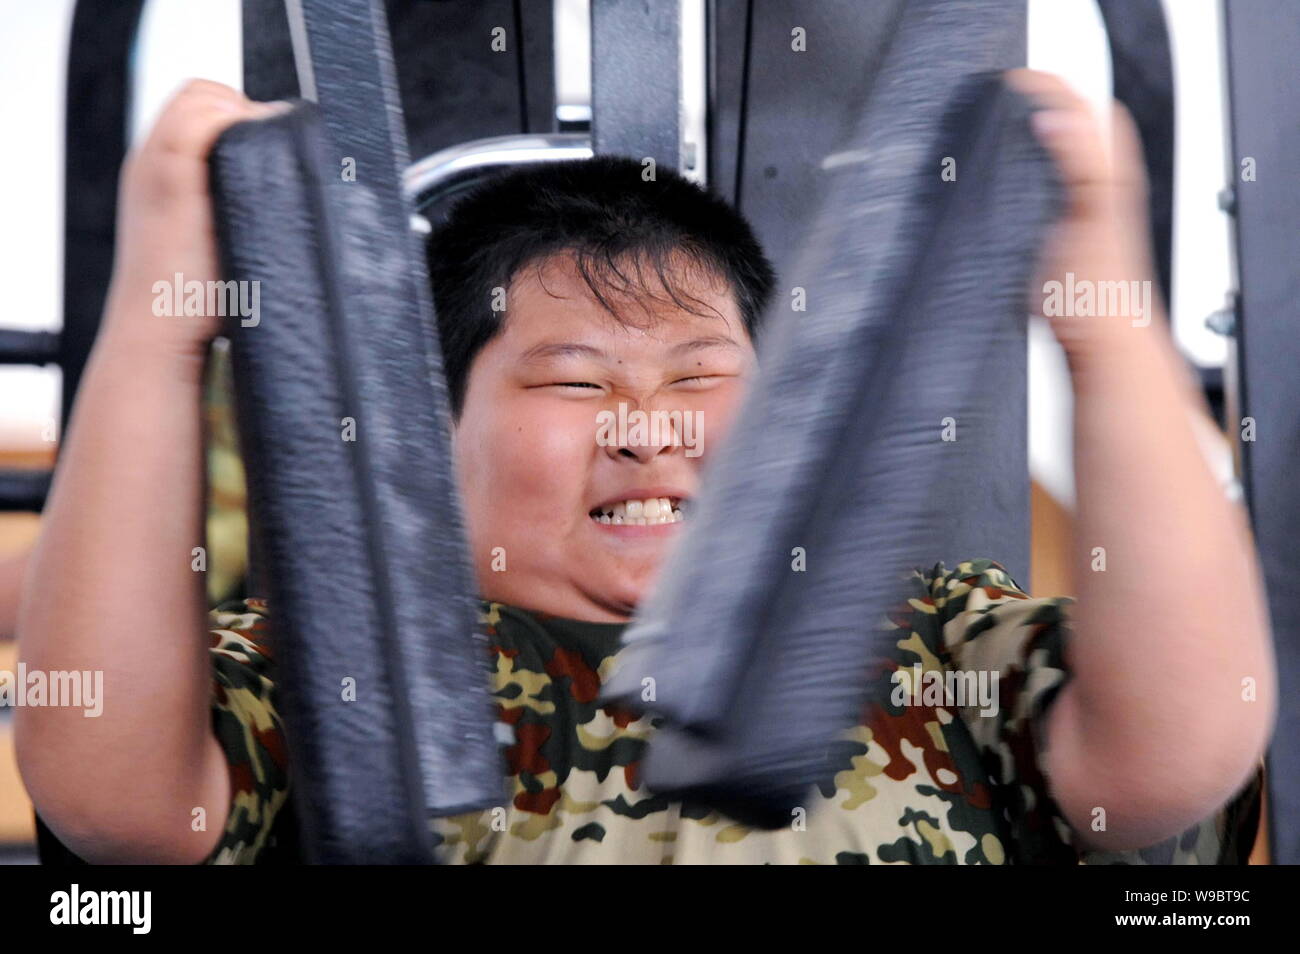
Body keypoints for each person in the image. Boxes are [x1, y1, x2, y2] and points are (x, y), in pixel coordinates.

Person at [15, 71, 1274, 864]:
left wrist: (1104, 322)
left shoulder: (931, 639)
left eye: (699, 378)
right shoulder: (338, 662)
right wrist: (161, 314)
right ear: (428, 436)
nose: (647, 427)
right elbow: (114, 801)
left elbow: (1169, 757)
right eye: (573, 381)